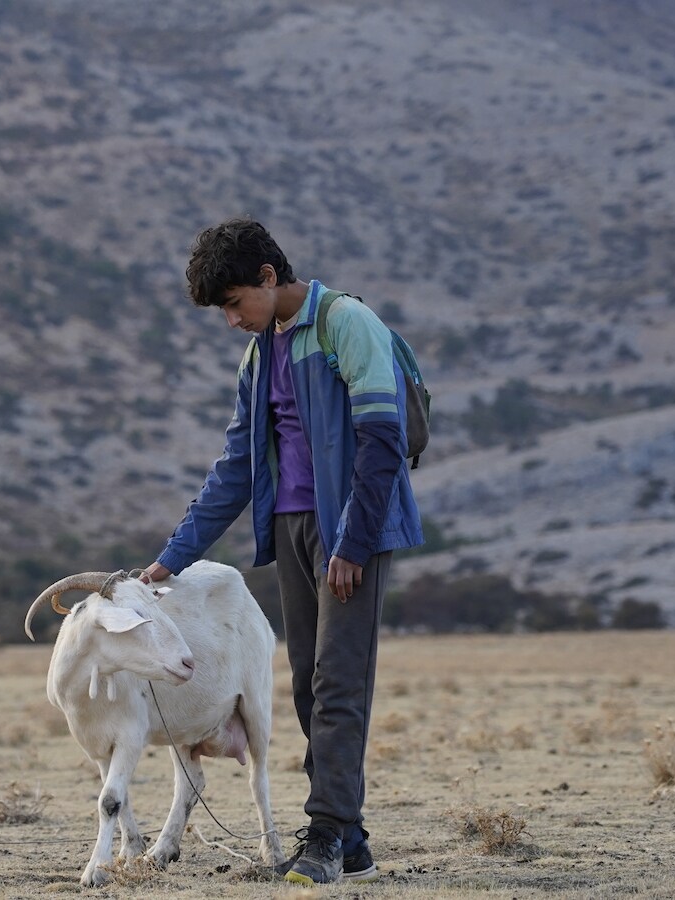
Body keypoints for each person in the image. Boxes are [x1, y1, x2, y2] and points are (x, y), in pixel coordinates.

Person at [139, 218, 424, 885]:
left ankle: (324, 837)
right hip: (294, 532)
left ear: (269, 278)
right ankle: (350, 843)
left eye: (235, 302)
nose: (232, 320)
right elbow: (236, 467)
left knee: (338, 686)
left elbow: (381, 440)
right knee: (308, 690)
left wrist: (353, 543)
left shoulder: (345, 324)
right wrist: (170, 559)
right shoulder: (259, 354)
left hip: (351, 529)